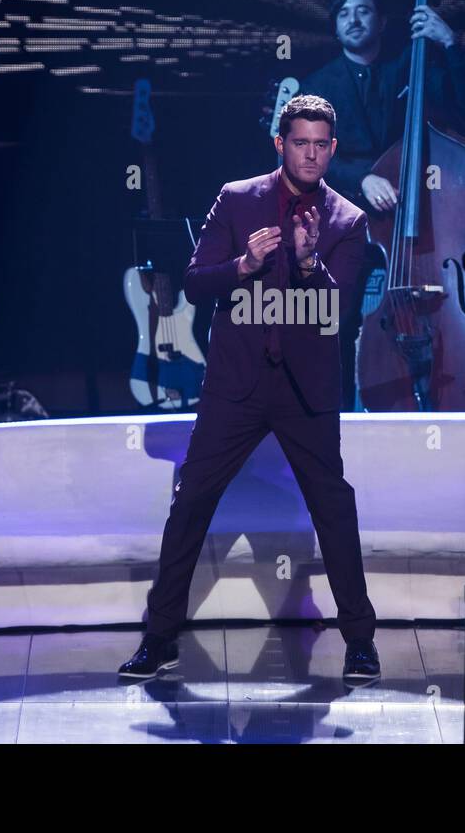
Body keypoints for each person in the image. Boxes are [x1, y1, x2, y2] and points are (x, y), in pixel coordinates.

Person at [118, 95, 380, 683]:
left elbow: (337, 312)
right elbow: (192, 280)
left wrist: (312, 266)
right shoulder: (239, 199)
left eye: (320, 145)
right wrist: (242, 265)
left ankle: (360, 642)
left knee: (334, 506)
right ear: (279, 144)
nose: (310, 155)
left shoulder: (347, 220)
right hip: (236, 385)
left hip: (305, 392)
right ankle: (158, 638)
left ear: (332, 149)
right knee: (190, 504)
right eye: (299, 143)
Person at [299, 0, 465, 409]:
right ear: (336, 25)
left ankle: (438, 400)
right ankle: (334, 417)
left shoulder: (410, 70)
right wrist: (361, 179)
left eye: (364, 10)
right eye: (344, 12)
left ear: (382, 22)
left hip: (414, 215)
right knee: (335, 320)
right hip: (344, 217)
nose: (354, 18)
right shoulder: (315, 86)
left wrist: (450, 43)